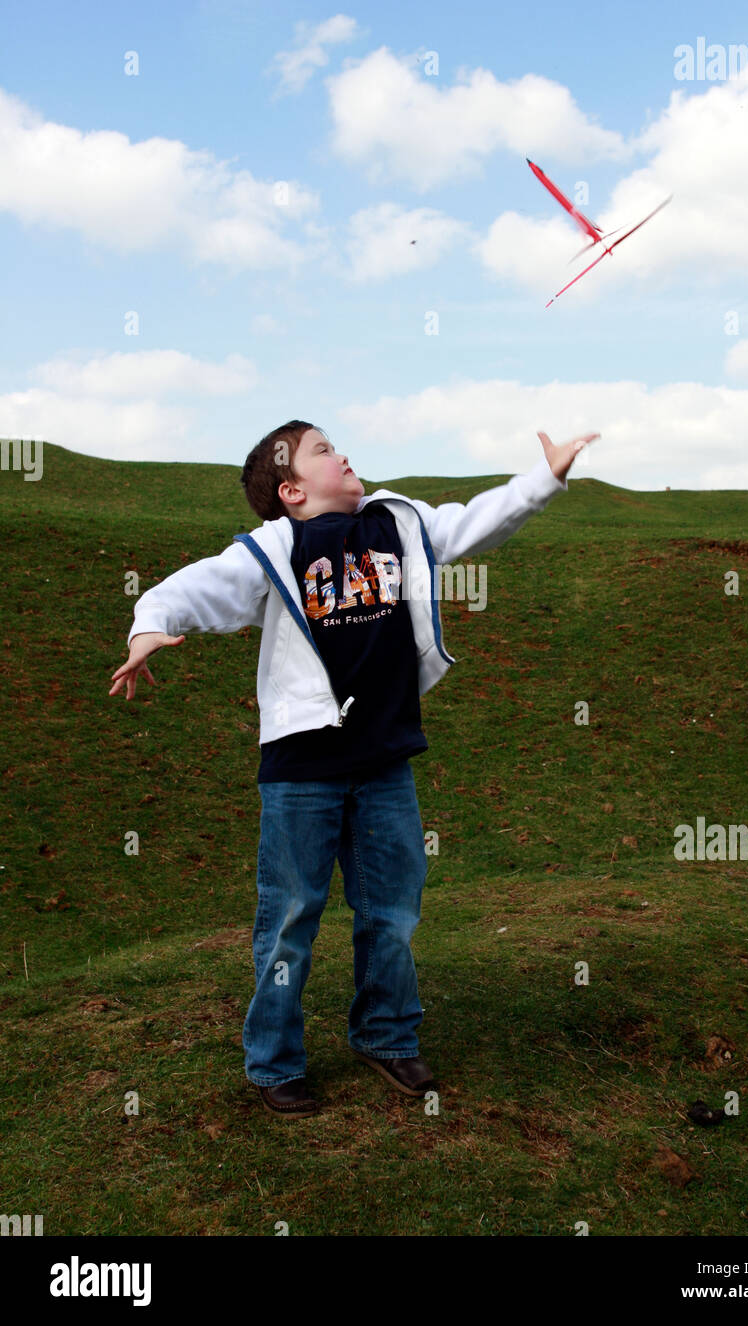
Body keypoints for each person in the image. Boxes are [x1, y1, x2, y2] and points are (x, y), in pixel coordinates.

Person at [109, 421, 599, 1117]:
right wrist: (149, 624)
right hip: (301, 768)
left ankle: (387, 1037)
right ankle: (274, 1061)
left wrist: (543, 480)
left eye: (336, 445)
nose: (341, 454)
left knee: (392, 912)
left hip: (384, 760)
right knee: (290, 917)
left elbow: (471, 527)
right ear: (292, 490)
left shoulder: (395, 521)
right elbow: (199, 585)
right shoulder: (275, 549)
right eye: (322, 451)